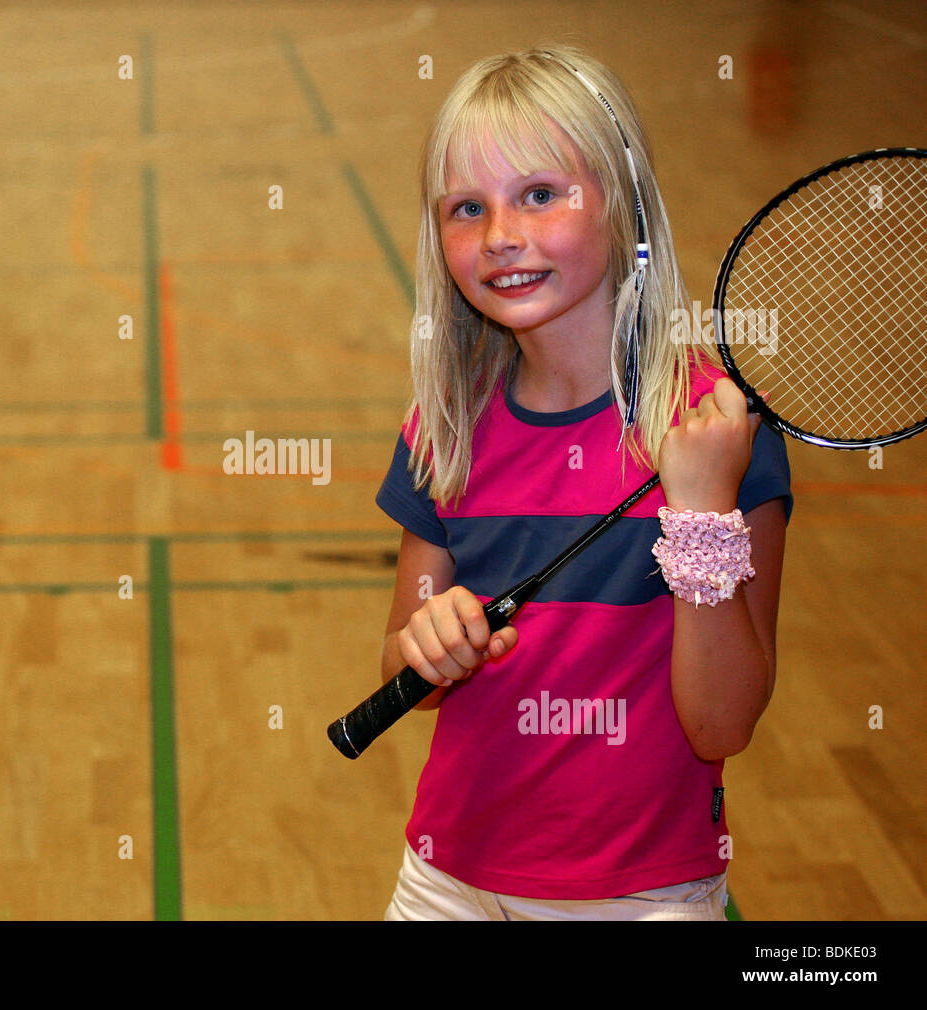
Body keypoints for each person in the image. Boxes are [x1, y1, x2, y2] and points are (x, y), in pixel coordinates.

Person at [375, 47, 791, 920]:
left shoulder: (715, 429)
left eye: (540, 194)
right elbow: (401, 669)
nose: (499, 236)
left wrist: (703, 512)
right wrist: (434, 639)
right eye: (466, 207)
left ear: (624, 207)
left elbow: (723, 726)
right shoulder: (443, 428)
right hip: (446, 881)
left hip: (643, 895)